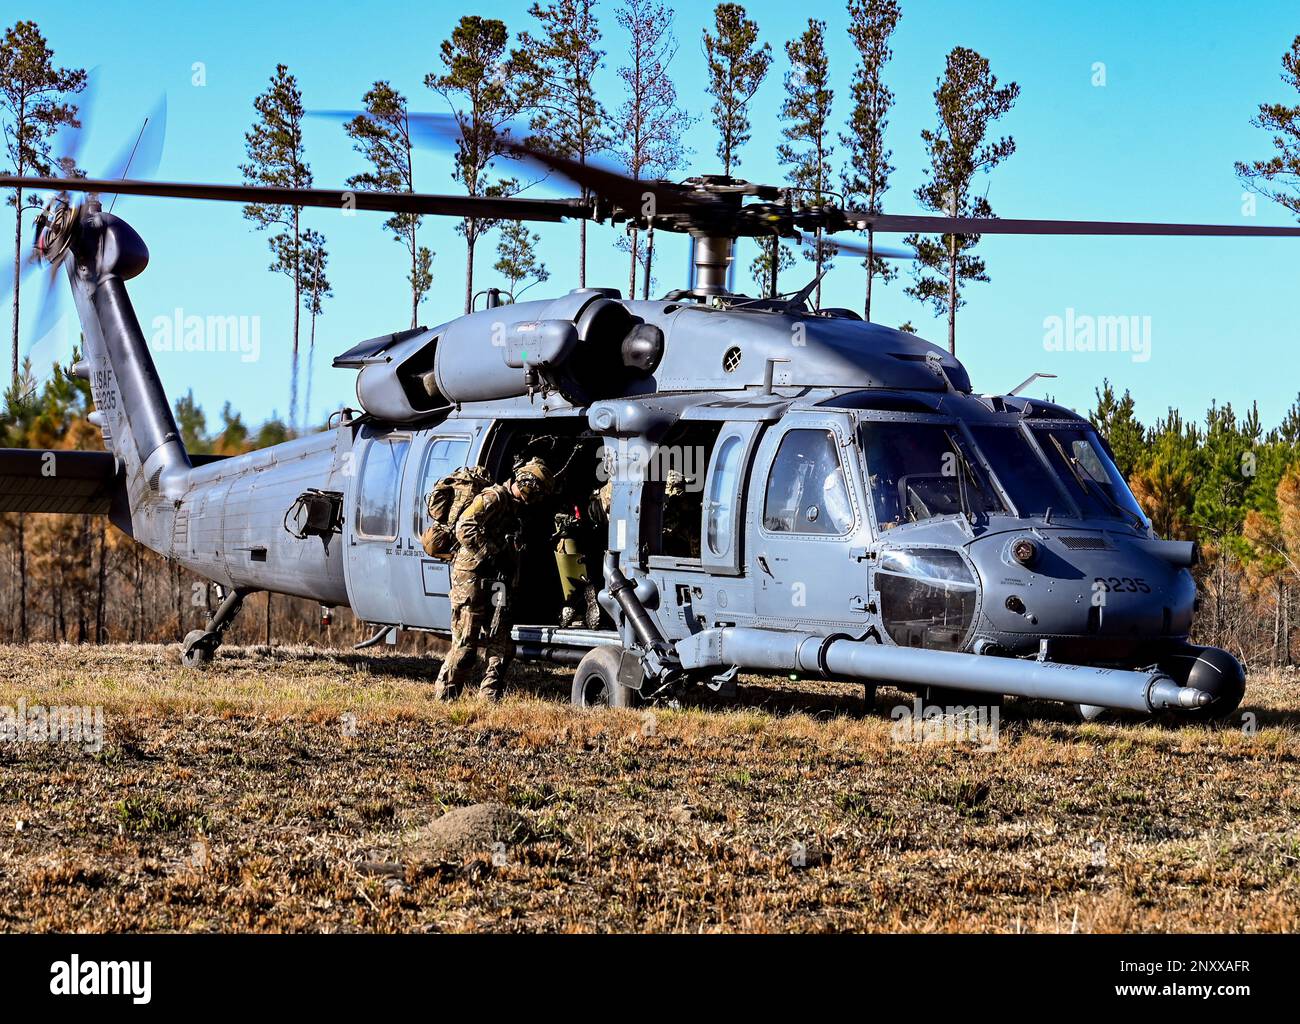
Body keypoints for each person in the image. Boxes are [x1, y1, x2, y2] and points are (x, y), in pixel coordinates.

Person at [432, 457, 553, 701]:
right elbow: (465, 527)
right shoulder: (494, 497)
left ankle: (488, 696)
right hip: (471, 577)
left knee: (502, 642)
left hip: (498, 578)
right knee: (466, 644)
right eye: (538, 491)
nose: (538, 498)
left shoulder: (515, 507)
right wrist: (493, 554)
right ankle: (445, 697)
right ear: (528, 484)